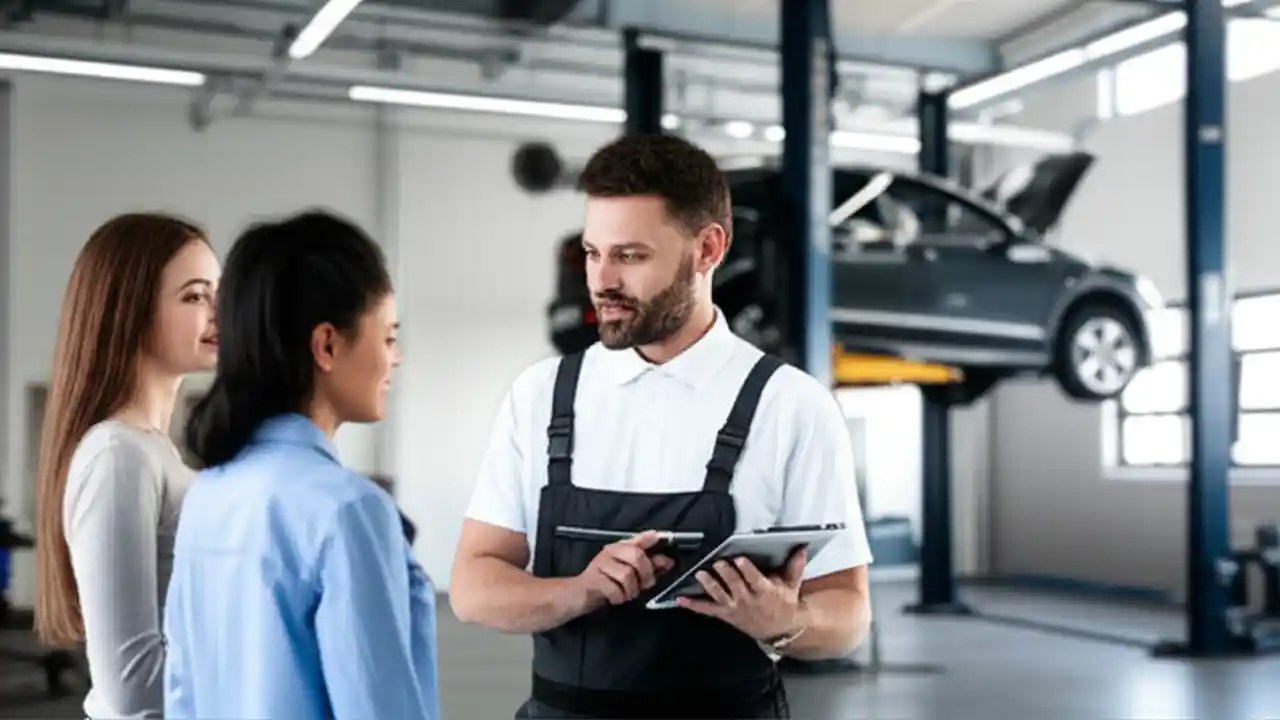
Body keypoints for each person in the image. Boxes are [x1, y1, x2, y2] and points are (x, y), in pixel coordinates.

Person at [450, 134, 874, 720]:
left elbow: (848, 613)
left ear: (708, 249)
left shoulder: (791, 406)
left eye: (630, 256)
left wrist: (788, 623)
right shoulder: (541, 395)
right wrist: (580, 591)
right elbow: (473, 589)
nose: (602, 281)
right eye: (594, 253)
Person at [161, 210, 438, 720]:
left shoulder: (209, 493)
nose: (394, 359)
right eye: (389, 337)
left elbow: (182, 694)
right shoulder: (349, 510)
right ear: (327, 345)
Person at [33, 213, 219, 718]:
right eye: (195, 296)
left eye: (220, 292)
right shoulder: (120, 456)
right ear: (130, 310)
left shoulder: (153, 450)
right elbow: (131, 691)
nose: (219, 311)